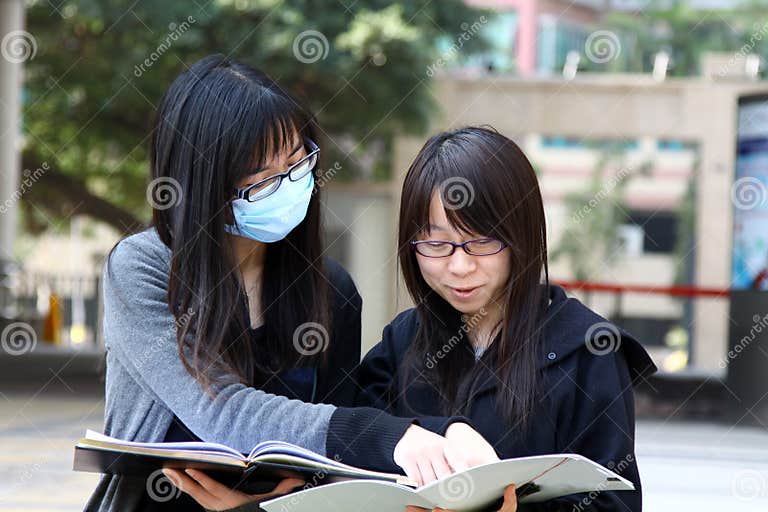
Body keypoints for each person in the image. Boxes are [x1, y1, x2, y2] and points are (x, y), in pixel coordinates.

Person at [84, 56, 497, 512]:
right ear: (203, 185)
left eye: (296, 162)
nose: (285, 185)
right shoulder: (145, 269)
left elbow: (331, 471)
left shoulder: (332, 291)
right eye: (260, 178)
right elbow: (222, 411)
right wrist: (390, 437)